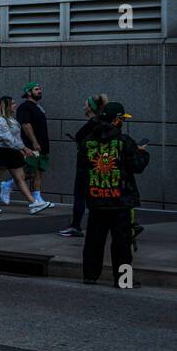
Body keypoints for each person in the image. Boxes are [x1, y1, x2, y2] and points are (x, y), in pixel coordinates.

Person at [76, 101, 149, 287]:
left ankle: (90, 276)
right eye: (122, 119)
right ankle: (124, 280)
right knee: (122, 243)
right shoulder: (124, 142)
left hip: (97, 198)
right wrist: (143, 153)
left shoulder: (88, 142)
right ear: (117, 120)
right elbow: (137, 166)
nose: (123, 122)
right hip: (120, 200)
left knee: (94, 240)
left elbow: (83, 165)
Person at [0, 96, 49, 213]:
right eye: (12, 104)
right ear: (6, 106)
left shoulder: (12, 120)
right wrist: (24, 148)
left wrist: (22, 150)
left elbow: (17, 138)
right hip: (1, 152)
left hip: (12, 152)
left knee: (20, 177)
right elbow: (8, 139)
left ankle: (34, 204)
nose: (15, 105)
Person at [61, 94, 107, 237]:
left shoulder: (92, 124)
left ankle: (76, 226)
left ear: (91, 108)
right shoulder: (103, 123)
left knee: (80, 196)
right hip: (98, 166)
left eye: (85, 104)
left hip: (86, 166)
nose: (83, 107)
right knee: (100, 195)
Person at [9, 80, 55, 210]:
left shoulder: (38, 107)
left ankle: (38, 197)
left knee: (39, 172)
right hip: (31, 146)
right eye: (36, 89)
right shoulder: (25, 107)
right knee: (29, 172)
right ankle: (8, 184)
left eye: (39, 89)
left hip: (43, 146)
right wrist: (34, 142)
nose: (39, 91)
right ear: (28, 93)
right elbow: (25, 125)